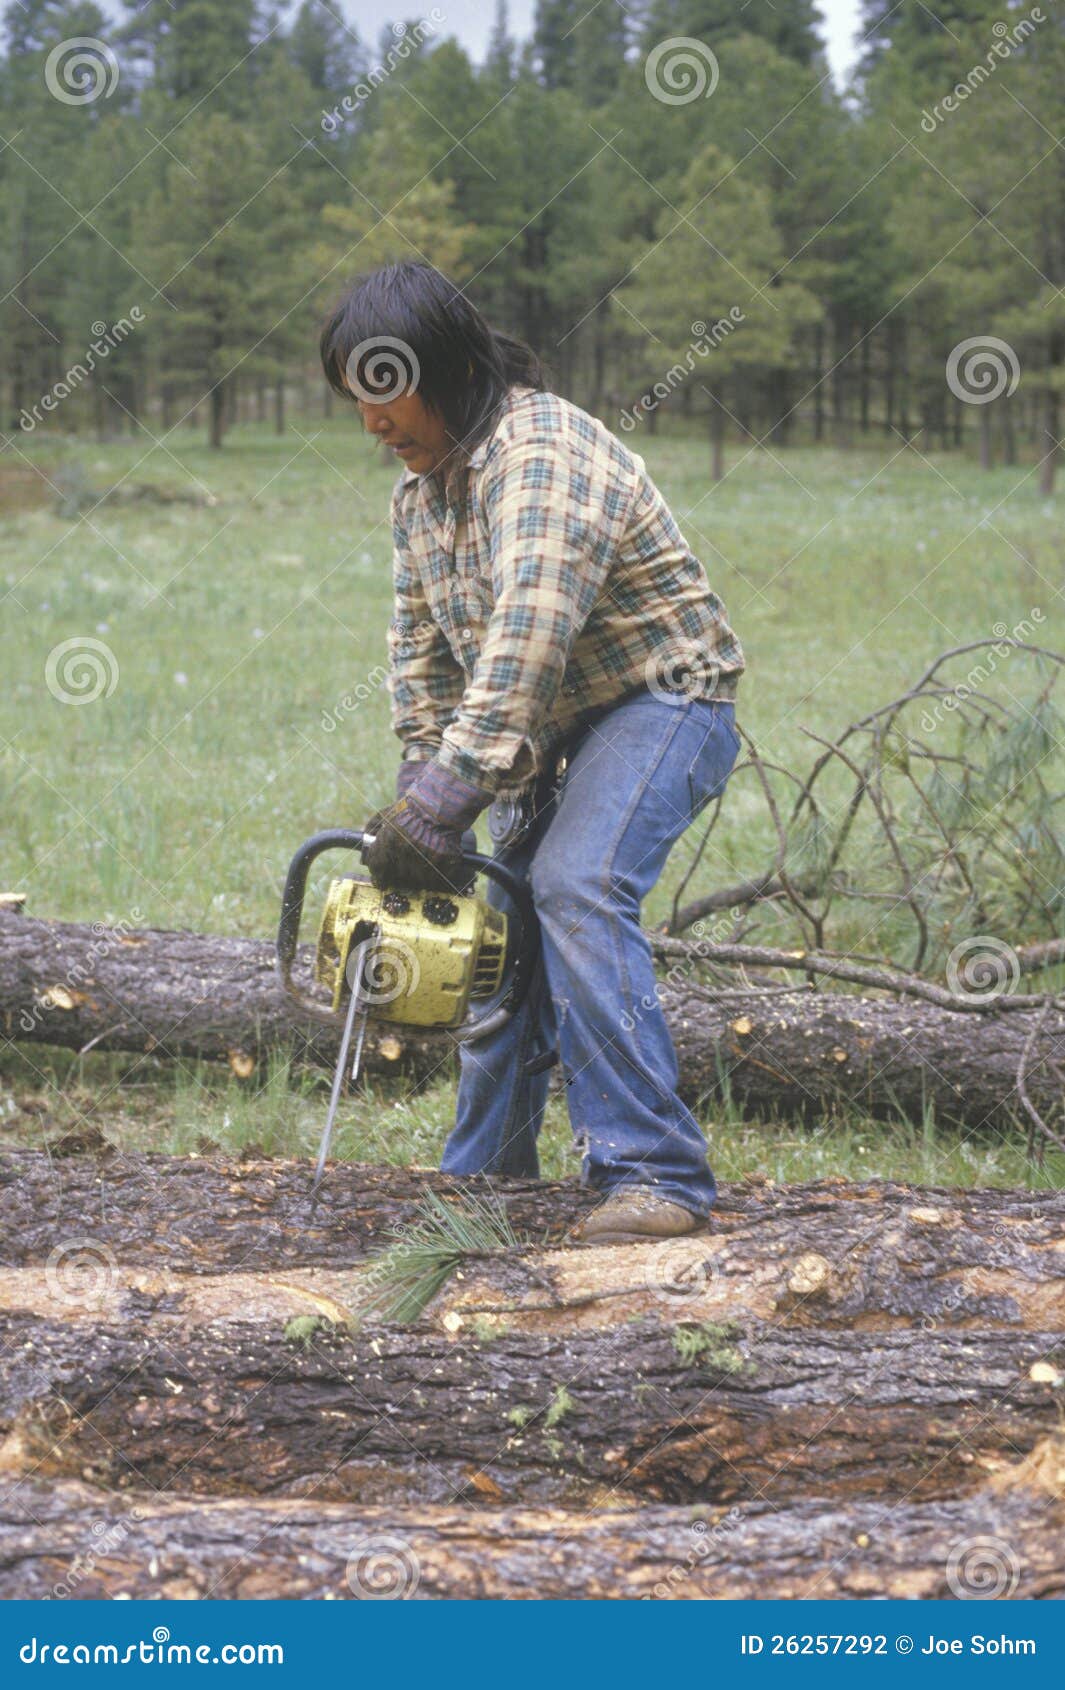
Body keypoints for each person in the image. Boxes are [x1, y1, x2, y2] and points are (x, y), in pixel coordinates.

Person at [320, 260, 745, 1243]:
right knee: (499, 925)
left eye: (390, 396)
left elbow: (525, 640)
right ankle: (486, 1184)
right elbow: (419, 656)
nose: (374, 424)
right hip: (546, 735)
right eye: (359, 403)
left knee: (577, 882)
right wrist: (416, 783)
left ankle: (654, 1173)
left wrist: (444, 802)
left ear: (454, 369)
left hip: (663, 698)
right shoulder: (418, 498)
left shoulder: (539, 455)